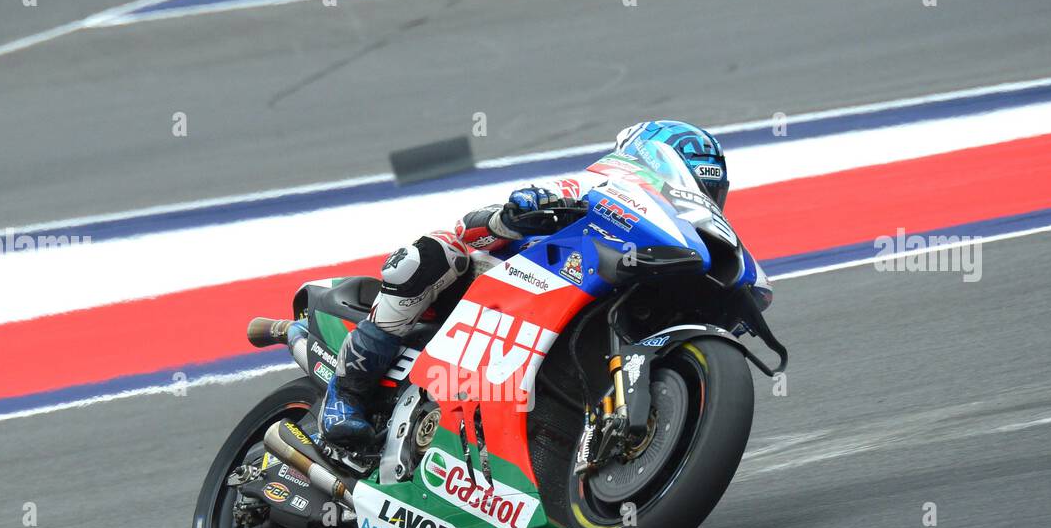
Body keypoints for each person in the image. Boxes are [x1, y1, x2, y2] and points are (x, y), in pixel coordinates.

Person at [319, 120, 772, 447]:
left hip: (544, 336)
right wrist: (516, 213)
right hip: (497, 289)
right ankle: (346, 395)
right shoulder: (595, 190)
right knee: (436, 253)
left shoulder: (674, 243)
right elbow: (475, 227)